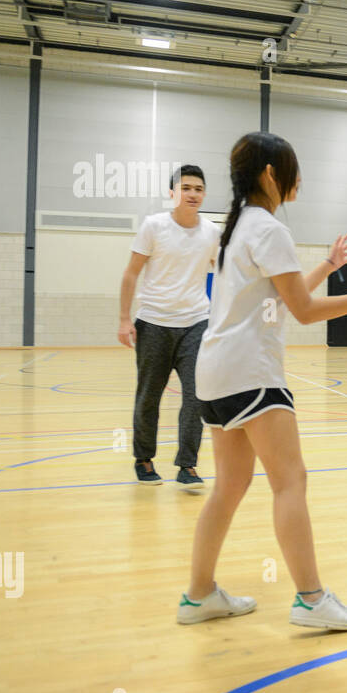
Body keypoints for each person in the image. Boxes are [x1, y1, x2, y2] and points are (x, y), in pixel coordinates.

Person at [177, 131, 347, 630]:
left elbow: (281, 299)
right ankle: (311, 600)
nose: (300, 178)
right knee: (290, 481)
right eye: (293, 168)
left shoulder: (239, 227)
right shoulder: (267, 228)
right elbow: (306, 313)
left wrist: (329, 266)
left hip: (217, 372)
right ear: (270, 174)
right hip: (251, 374)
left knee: (229, 485)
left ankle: (199, 594)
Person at [119, 165, 218, 492]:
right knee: (149, 396)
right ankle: (143, 459)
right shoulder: (153, 226)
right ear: (173, 193)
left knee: (196, 397)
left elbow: (228, 275)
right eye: (186, 188)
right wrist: (124, 319)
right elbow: (132, 273)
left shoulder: (212, 232)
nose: (192, 194)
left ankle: (187, 465)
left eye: (198, 189)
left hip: (196, 324)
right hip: (154, 323)